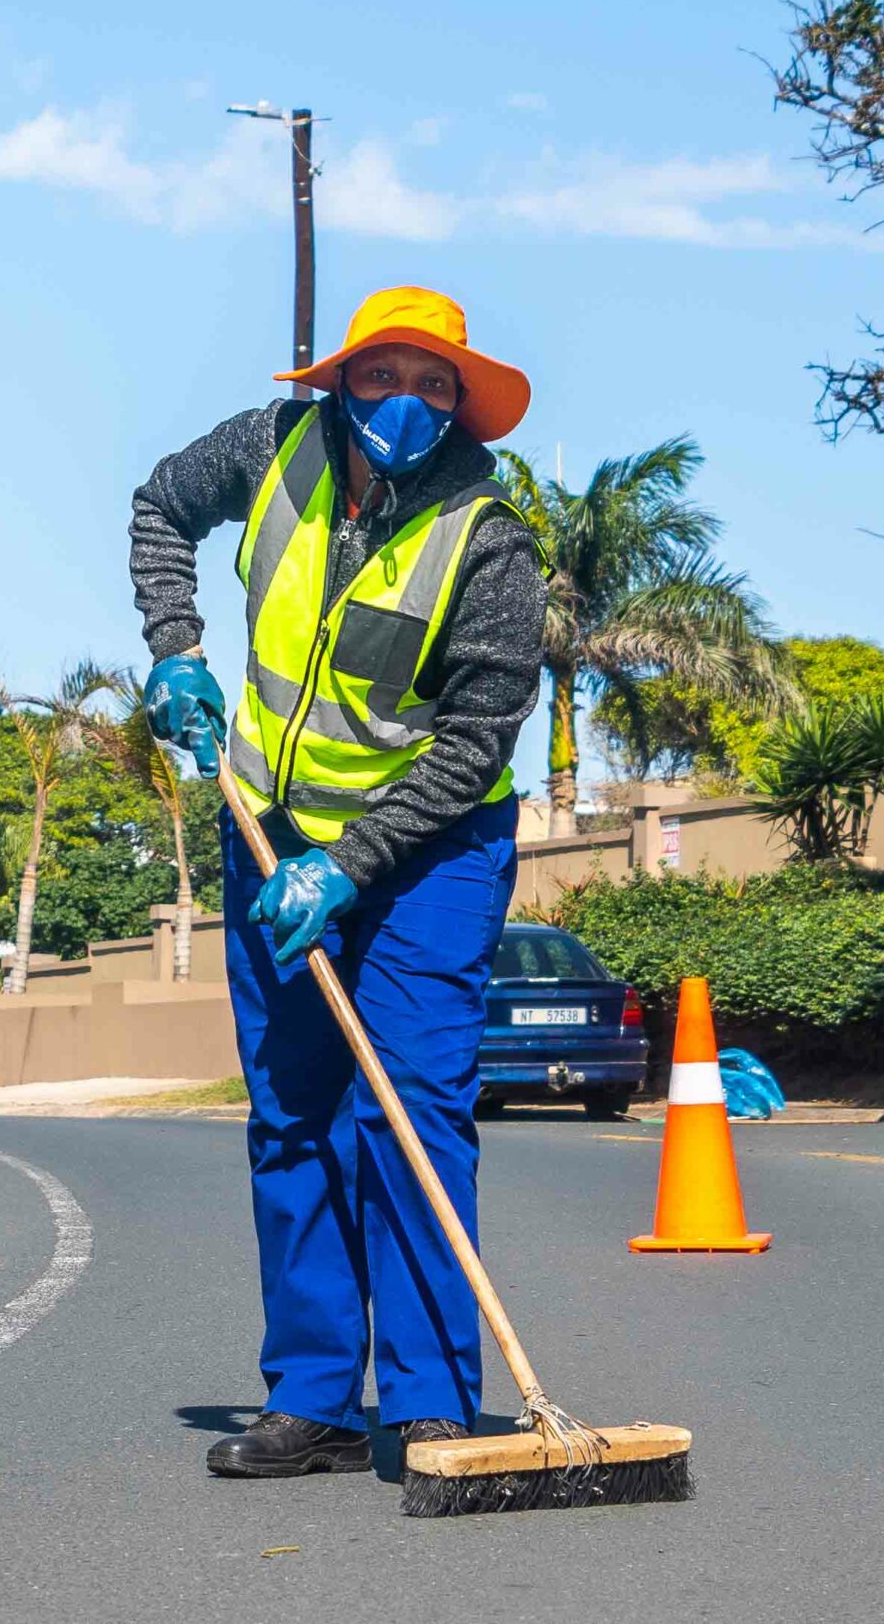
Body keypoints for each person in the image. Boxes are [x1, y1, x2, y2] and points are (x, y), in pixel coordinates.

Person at [127, 286, 546, 1477]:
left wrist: (351, 866)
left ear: (458, 403)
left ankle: (427, 1403)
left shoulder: (489, 538)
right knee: (292, 1108)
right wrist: (175, 649)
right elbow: (159, 505)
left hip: (431, 847)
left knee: (408, 1109)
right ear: (343, 383)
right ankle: (310, 1393)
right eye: (381, 378)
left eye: (430, 387)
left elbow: (475, 740)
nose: (403, 405)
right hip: (266, 821)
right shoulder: (270, 448)